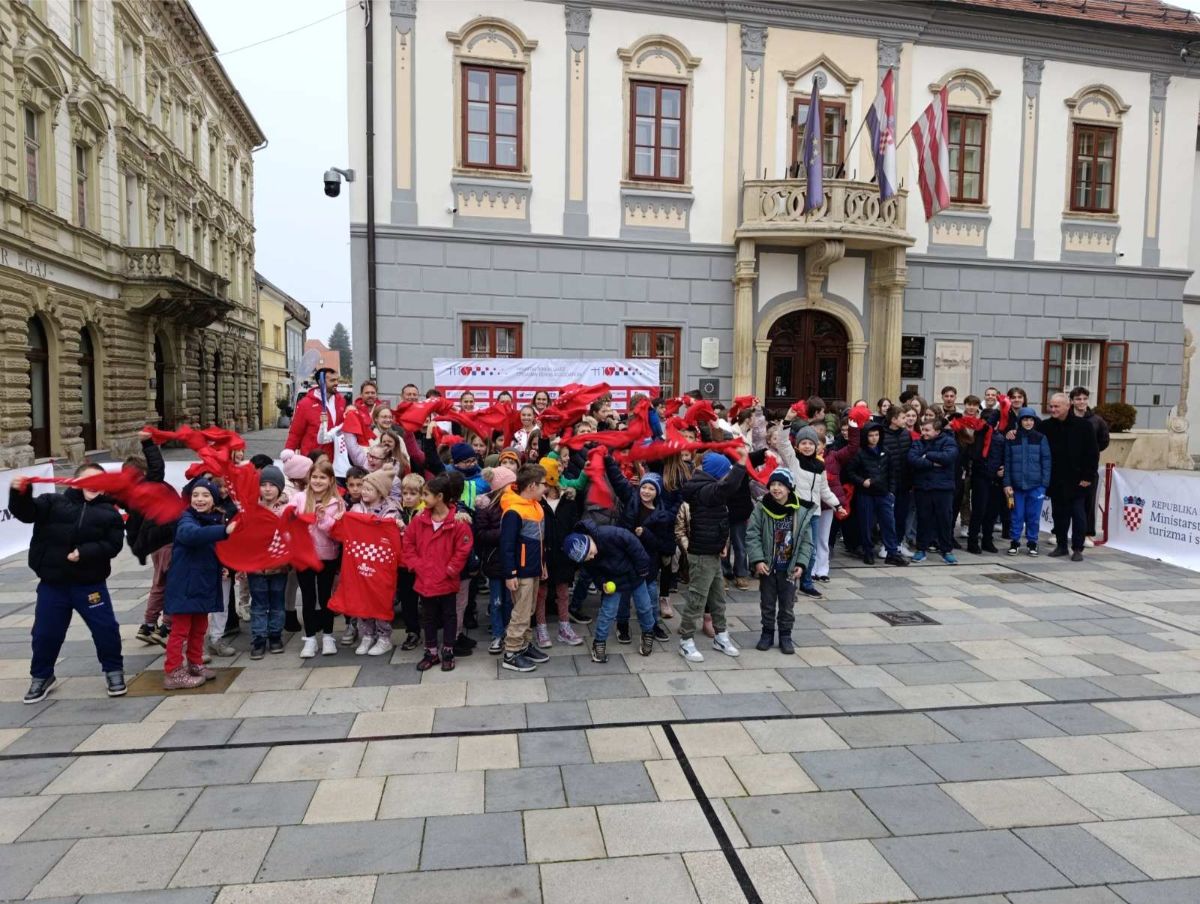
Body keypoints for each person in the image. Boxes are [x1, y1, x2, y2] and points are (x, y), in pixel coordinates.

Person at [11, 464, 127, 703]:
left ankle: (113, 670)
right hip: (53, 584)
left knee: (105, 629)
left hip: (90, 584)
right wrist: (20, 493)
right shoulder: (52, 502)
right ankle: (42, 675)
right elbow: (26, 512)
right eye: (87, 480)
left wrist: (85, 552)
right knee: (45, 633)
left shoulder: (110, 513)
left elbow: (113, 545)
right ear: (75, 482)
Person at [163, 480, 237, 689]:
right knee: (180, 631)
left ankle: (195, 663)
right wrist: (224, 530)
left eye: (205, 495)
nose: (199, 499)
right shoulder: (185, 518)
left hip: (202, 584)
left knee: (199, 628)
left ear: (214, 499)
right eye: (196, 495)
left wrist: (221, 566)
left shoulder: (212, 518)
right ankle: (173, 672)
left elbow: (211, 550)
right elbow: (190, 535)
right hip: (185, 586)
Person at [678, 449, 747, 662]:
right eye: (725, 472)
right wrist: (742, 463)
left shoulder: (709, 488)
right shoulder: (706, 490)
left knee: (718, 598)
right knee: (697, 599)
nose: (727, 475)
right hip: (701, 554)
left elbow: (719, 520)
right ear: (716, 472)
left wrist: (722, 543)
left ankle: (721, 636)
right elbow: (728, 486)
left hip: (713, 551)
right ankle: (686, 640)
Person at [403, 471, 475, 671]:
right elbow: (408, 542)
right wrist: (416, 565)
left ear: (440, 496)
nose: (422, 498)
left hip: (446, 580)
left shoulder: (457, 522)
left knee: (449, 615)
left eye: (426, 494)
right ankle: (431, 651)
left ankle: (448, 651)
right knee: (428, 617)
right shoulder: (419, 520)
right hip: (425, 579)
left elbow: (463, 548)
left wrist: (451, 569)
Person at [563, 525, 657, 663]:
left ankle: (648, 632)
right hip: (612, 581)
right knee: (607, 612)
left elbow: (634, 544)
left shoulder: (610, 534)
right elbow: (594, 573)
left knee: (645, 607)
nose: (592, 557)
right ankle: (599, 642)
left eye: (590, 552)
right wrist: (602, 584)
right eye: (588, 558)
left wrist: (642, 568)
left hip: (634, 575)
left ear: (589, 541)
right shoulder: (588, 561)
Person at [746, 468, 815, 655]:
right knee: (767, 603)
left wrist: (801, 563)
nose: (776, 488)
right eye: (773, 484)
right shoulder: (762, 507)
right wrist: (758, 560)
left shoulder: (800, 511)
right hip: (768, 567)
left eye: (781, 485)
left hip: (789, 568)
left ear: (789, 488)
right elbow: (752, 535)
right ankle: (767, 633)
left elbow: (806, 541)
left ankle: (785, 635)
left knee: (787, 604)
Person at [772, 424, 843, 593]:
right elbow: (782, 442)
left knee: (810, 549)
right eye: (803, 443)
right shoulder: (793, 460)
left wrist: (837, 505)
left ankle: (806, 582)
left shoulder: (820, 466)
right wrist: (787, 421)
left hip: (814, 513)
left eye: (811, 443)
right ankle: (786, 581)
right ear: (798, 445)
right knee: (790, 547)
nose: (807, 446)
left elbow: (824, 490)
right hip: (796, 512)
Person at [286, 459, 345, 657]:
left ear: (330, 480)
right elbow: (289, 520)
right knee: (308, 597)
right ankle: (310, 638)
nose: (317, 481)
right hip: (304, 556)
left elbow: (336, 533)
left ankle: (328, 636)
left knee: (325, 596)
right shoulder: (299, 498)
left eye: (322, 477)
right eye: (314, 477)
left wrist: (322, 518)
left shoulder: (337, 502)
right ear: (309, 478)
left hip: (327, 556)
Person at [345, 468, 402, 656]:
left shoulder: (391, 511)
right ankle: (367, 635)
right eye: (364, 488)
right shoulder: (356, 508)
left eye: (369, 489)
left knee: (381, 599)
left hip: (381, 563)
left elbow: (393, 534)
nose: (364, 492)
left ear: (380, 492)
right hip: (361, 561)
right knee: (363, 598)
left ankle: (384, 637)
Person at [499, 464, 550, 672]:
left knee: (528, 610)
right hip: (520, 572)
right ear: (531, 486)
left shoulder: (535, 505)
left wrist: (542, 564)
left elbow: (540, 540)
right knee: (521, 612)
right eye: (543, 484)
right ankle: (511, 652)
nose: (546, 488)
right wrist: (510, 573)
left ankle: (523, 645)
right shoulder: (514, 511)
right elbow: (507, 545)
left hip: (533, 567)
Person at [1041, 392, 1100, 561]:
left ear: (1068, 406)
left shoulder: (1084, 426)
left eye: (1057, 406)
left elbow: (1092, 453)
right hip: (1056, 479)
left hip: (1078, 480)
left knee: (1078, 515)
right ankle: (1061, 546)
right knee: (1059, 515)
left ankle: (1077, 548)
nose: (1053, 409)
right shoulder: (1045, 426)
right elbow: (1029, 434)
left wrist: (1088, 476)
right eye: (1051, 406)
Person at [844, 423, 909, 566]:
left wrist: (891, 492)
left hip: (883, 493)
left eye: (876, 435)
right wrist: (862, 481)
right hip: (866, 494)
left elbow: (892, 473)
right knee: (866, 524)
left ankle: (892, 553)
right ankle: (868, 551)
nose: (874, 438)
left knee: (888, 523)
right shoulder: (860, 453)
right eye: (871, 435)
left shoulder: (886, 451)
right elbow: (850, 472)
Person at [536, 458, 584, 647]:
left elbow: (574, 526)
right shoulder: (536, 503)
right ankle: (541, 628)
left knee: (563, 592)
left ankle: (564, 627)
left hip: (563, 555)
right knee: (541, 592)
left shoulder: (568, 501)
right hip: (543, 554)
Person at [473, 466, 518, 654]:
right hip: (494, 561)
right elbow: (480, 534)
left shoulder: (515, 504)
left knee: (509, 600)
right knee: (497, 600)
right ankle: (498, 634)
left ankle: (509, 630)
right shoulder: (487, 507)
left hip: (511, 561)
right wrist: (505, 533)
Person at [247, 466, 289, 659]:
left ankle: (275, 636)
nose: (268, 489)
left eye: (272, 485)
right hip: (256, 568)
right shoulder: (251, 509)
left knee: (277, 603)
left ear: (280, 488)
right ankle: (258, 638)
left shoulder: (285, 511)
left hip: (279, 567)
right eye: (263, 485)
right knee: (258, 604)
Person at [908, 417, 959, 564]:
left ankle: (946, 551)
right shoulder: (918, 443)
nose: (923, 433)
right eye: (923, 430)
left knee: (944, 520)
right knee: (923, 519)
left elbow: (948, 457)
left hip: (943, 488)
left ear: (937, 431)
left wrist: (928, 455)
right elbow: (912, 459)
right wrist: (933, 464)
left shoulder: (949, 441)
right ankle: (921, 549)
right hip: (923, 487)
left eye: (927, 430)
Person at [1004, 407, 1051, 556]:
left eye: (1031, 419)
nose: (1028, 422)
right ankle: (1015, 541)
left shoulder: (1040, 438)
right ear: (1020, 421)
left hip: (1036, 486)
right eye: (1025, 419)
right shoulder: (1012, 438)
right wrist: (1007, 483)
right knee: (1016, 515)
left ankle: (1032, 542)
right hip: (1016, 486)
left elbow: (1046, 461)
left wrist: (1044, 485)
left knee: (1033, 516)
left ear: (1034, 421)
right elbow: (1007, 462)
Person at [1070, 387, 1110, 544]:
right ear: (1072, 401)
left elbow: (1104, 441)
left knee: (1089, 501)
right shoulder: (1066, 418)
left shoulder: (1097, 421)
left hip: (1089, 468)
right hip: (1068, 467)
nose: (1081, 402)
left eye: (1084, 399)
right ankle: (1061, 532)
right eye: (1078, 399)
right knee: (1064, 501)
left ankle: (1087, 534)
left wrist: (1090, 451)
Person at [284, 367, 347, 458]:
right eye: (332, 380)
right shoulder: (305, 404)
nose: (336, 383)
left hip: (336, 458)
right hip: (313, 459)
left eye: (337, 380)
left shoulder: (341, 401)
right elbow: (295, 433)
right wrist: (288, 453)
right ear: (321, 382)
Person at [396, 472, 425, 650]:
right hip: (404, 564)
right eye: (405, 493)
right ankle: (412, 631)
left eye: (413, 494)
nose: (407, 497)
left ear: (421, 495)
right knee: (407, 600)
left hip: (421, 563)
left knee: (426, 599)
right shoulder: (400, 511)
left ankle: (430, 630)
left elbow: (420, 537)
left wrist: (404, 529)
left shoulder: (424, 513)